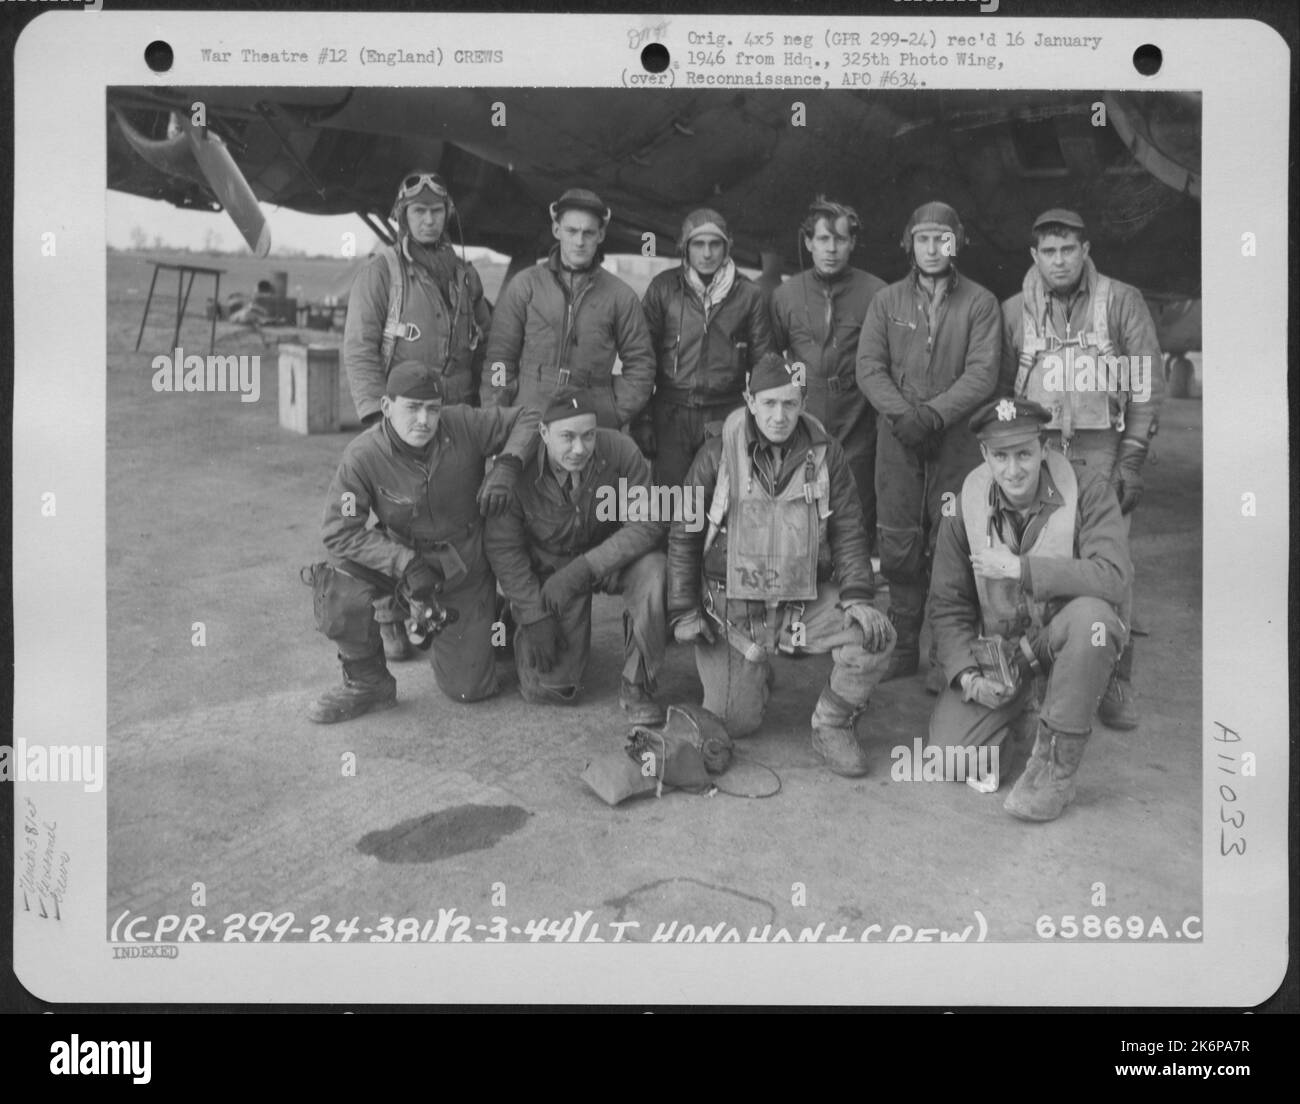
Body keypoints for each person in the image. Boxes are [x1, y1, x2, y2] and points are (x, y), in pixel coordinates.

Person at [667, 352, 896, 777]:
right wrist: (684, 609)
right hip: (733, 607)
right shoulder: (715, 454)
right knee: (737, 723)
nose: (779, 416)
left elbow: (849, 529)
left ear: (803, 403)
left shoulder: (828, 457)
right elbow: (685, 531)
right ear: (749, 400)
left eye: (790, 404)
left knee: (873, 635)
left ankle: (831, 722)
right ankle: (753, 669)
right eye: (769, 403)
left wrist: (858, 596)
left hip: (798, 602)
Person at [929, 397, 1132, 820]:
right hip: (1007, 657)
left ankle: (1054, 773)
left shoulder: (1089, 489)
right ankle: (1024, 716)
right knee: (948, 757)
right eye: (1000, 456)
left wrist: (1022, 569)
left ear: (1044, 447)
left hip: (1063, 644)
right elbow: (948, 604)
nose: (1013, 469)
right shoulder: (964, 503)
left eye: (1024, 453)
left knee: (1093, 619)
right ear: (984, 455)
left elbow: (1114, 575)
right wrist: (968, 676)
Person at [304, 361, 538, 722]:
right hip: (402, 558)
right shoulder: (362, 455)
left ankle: (495, 618)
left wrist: (509, 464)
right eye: (412, 408)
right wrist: (405, 563)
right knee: (338, 590)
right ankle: (369, 683)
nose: (424, 420)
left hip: (463, 563)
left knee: (468, 690)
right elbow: (339, 530)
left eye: (432, 409)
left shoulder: (463, 422)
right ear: (386, 407)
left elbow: (530, 417)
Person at [1001, 208, 1162, 730]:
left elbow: (1144, 384)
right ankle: (1042, 666)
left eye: (1069, 249)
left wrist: (1133, 457)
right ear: (1034, 256)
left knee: (1111, 561)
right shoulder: (1013, 312)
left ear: (1086, 249)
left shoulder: (1122, 302)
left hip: (1100, 449)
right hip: (1040, 450)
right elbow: (1002, 391)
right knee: (1038, 554)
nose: (1059, 260)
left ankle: (1115, 675)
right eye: (1049, 251)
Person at [855, 201, 1001, 692]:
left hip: (955, 439)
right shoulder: (887, 301)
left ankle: (946, 651)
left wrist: (935, 414)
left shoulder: (979, 303)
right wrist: (902, 415)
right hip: (899, 439)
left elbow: (983, 372)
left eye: (943, 238)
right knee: (898, 538)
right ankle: (902, 645)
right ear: (909, 244)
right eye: (923, 238)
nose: (933, 248)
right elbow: (869, 367)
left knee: (949, 541)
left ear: (957, 242)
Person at [485, 390, 668, 725]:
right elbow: (504, 549)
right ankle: (512, 617)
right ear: (543, 434)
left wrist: (584, 568)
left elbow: (647, 523)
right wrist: (532, 613)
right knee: (552, 690)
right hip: (549, 570)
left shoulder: (622, 452)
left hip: (605, 559)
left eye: (588, 436)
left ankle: (637, 682)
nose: (580, 449)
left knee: (655, 570)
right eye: (567, 438)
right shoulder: (517, 470)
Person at [480, 188, 656, 430]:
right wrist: (498, 414)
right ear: (556, 230)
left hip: (590, 420)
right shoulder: (525, 285)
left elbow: (641, 365)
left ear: (601, 235)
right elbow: (500, 359)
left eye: (589, 233)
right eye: (572, 231)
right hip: (529, 415)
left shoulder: (620, 296)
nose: (580, 241)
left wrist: (613, 412)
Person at [770, 197, 886, 550]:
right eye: (823, 240)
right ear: (809, 243)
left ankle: (853, 584)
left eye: (840, 240)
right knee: (802, 498)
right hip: (805, 411)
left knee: (855, 499)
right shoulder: (786, 295)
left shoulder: (876, 292)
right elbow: (772, 360)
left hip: (857, 413)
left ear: (852, 243)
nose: (831, 249)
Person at [634, 208, 773, 487]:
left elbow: (764, 364)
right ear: (684, 248)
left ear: (727, 247)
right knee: (671, 504)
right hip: (670, 413)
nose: (707, 253)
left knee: (719, 502)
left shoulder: (750, 295)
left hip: (725, 413)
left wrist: (762, 422)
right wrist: (643, 418)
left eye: (715, 244)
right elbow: (641, 359)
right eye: (698, 244)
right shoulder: (663, 288)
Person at [343, 170, 491, 420]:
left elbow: (490, 350)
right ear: (404, 216)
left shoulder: (467, 276)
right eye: (419, 211)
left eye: (437, 211)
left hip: (461, 419)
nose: (429, 220)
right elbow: (359, 348)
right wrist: (375, 415)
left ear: (448, 214)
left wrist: (492, 404)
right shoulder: (380, 273)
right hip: (405, 419)